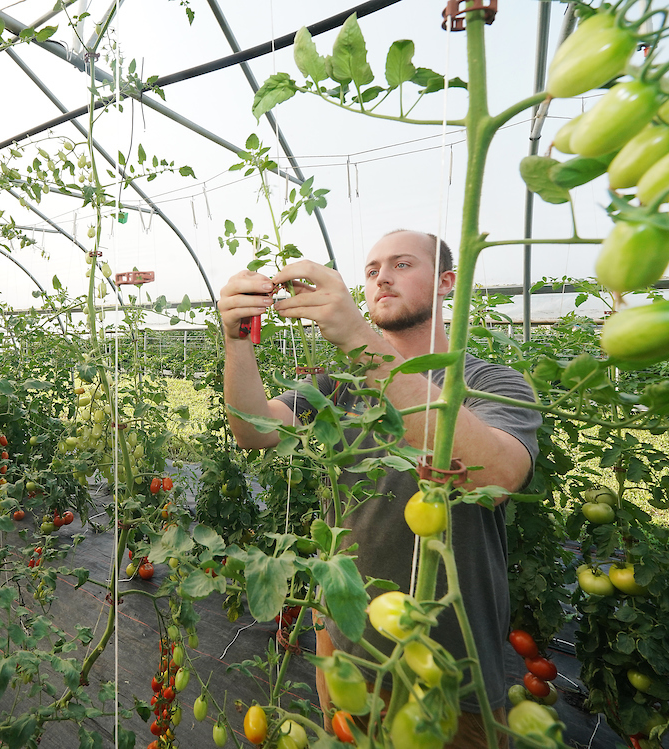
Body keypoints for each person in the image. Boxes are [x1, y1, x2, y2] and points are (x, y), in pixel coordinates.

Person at [217, 230, 541, 748]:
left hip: (448, 665)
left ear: (445, 283)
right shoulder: (336, 387)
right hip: (346, 642)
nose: (382, 277)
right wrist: (236, 340)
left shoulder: (490, 384)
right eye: (370, 270)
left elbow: (493, 478)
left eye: (402, 264)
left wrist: (356, 339)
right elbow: (254, 429)